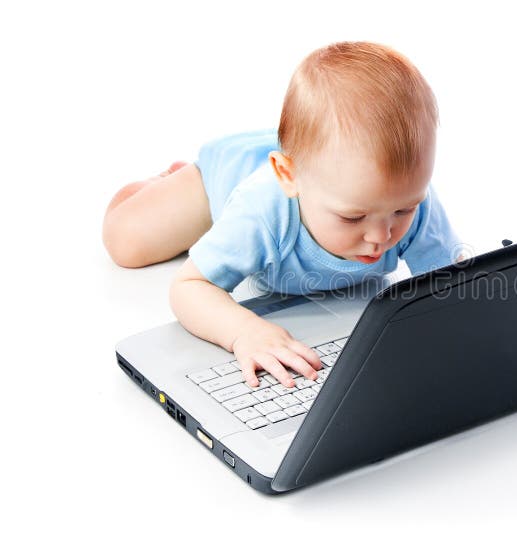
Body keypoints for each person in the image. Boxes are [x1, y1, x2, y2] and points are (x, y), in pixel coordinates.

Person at [102, 41, 464, 392]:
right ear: (289, 177)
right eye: (353, 218)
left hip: (309, 166)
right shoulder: (261, 209)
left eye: (403, 209)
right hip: (223, 176)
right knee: (127, 244)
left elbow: (448, 284)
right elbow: (190, 287)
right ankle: (169, 179)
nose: (381, 235)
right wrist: (246, 331)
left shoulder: (406, 194)